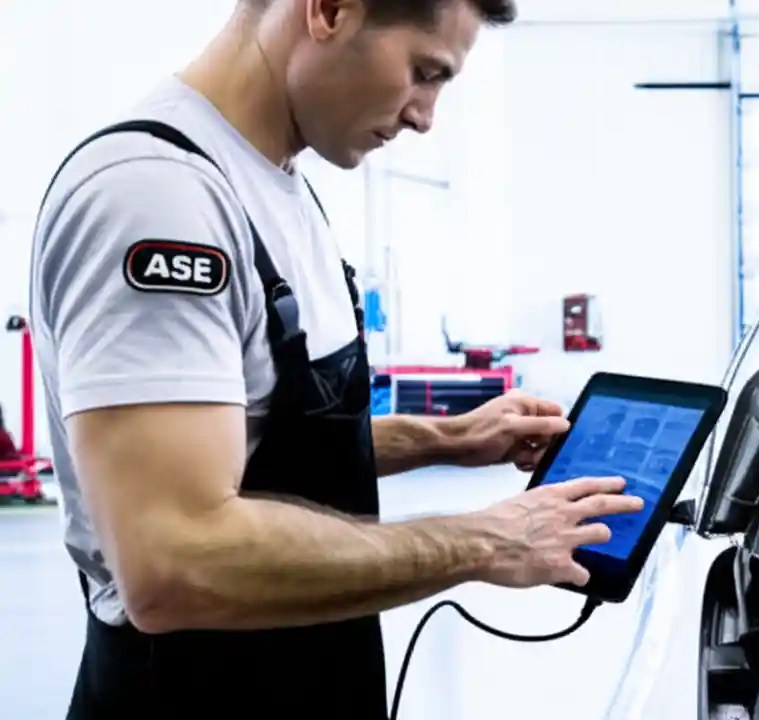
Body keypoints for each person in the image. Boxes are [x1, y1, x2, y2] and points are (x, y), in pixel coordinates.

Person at [26, 1, 643, 718]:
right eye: (424, 71)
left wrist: (448, 438)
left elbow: (256, 442)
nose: (425, 116)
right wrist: (482, 541)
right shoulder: (155, 198)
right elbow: (176, 560)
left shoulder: (279, 184)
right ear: (328, 11)